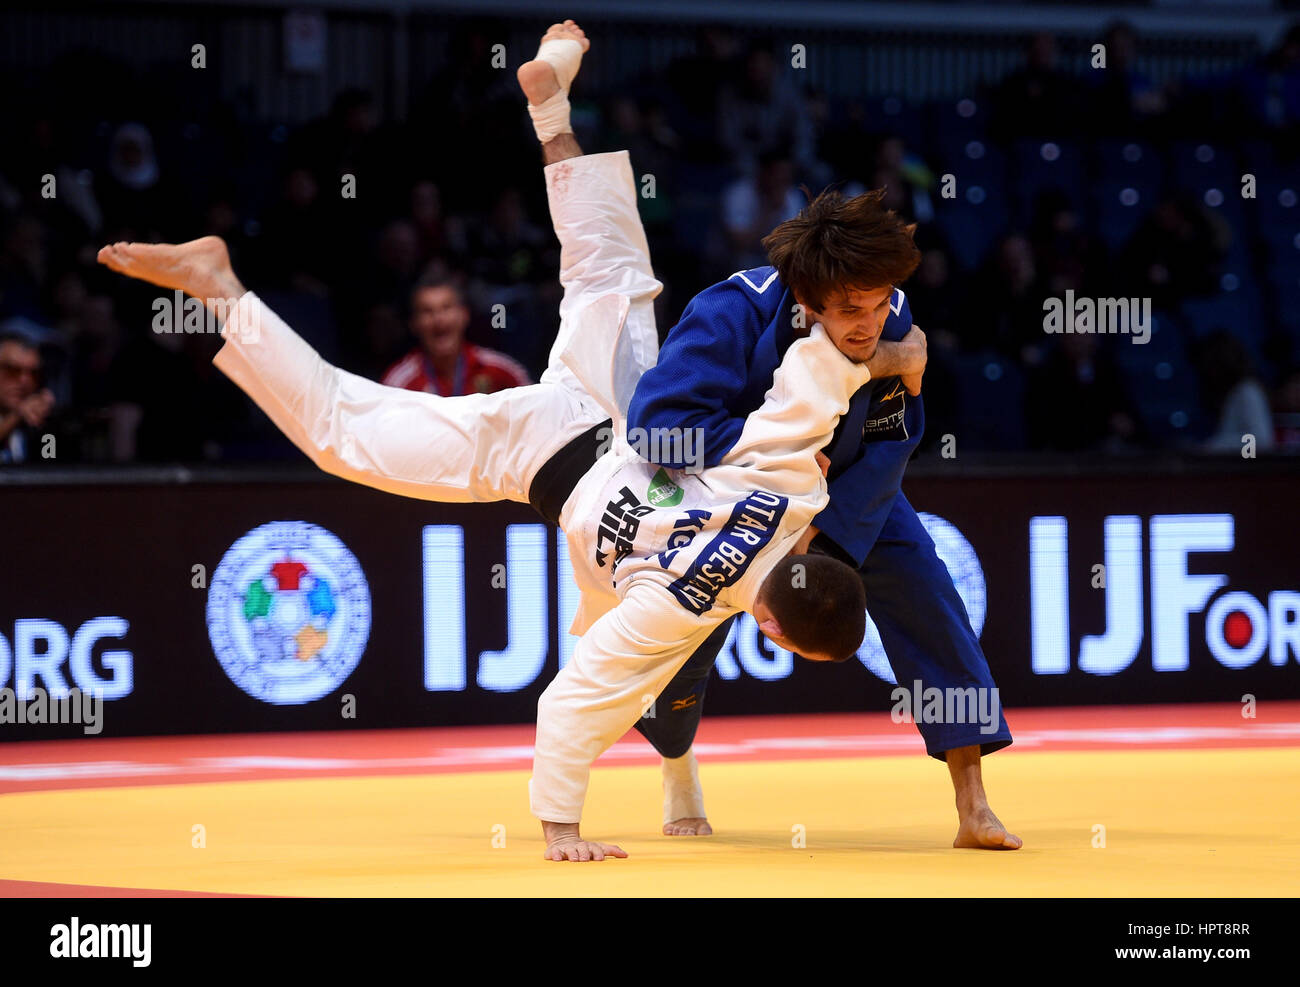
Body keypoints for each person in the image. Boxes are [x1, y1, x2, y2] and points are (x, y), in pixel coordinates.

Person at [98, 21, 928, 862]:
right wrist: (562, 830)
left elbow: (808, 385)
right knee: (341, 432)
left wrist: (891, 356)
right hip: (539, 456)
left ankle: (553, 107)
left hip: (622, 399)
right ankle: (223, 291)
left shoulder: (793, 494)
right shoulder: (677, 611)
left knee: (607, 264)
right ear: (773, 634)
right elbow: (573, 700)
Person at [626, 184, 1022, 851]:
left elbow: (893, 440)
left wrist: (824, 534)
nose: (868, 325)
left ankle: (973, 802)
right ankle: (677, 762)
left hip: (842, 492)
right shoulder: (729, 314)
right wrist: (773, 458)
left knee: (928, 591)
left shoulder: (890, 317)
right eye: (847, 311)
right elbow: (656, 429)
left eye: (874, 305)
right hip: (725, 491)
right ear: (806, 299)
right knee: (684, 633)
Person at [381, 276, 531, 396]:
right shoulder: (398, 384)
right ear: (414, 324)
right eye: (427, 311)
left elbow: (536, 410)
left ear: (464, 315)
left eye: (446, 308)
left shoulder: (500, 369)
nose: (438, 319)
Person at [0, 331, 54, 464]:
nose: (25, 381)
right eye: (12, 370)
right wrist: (16, 416)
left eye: (34, 374)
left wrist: (51, 426)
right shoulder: (20, 417)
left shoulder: (34, 426)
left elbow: (51, 467)